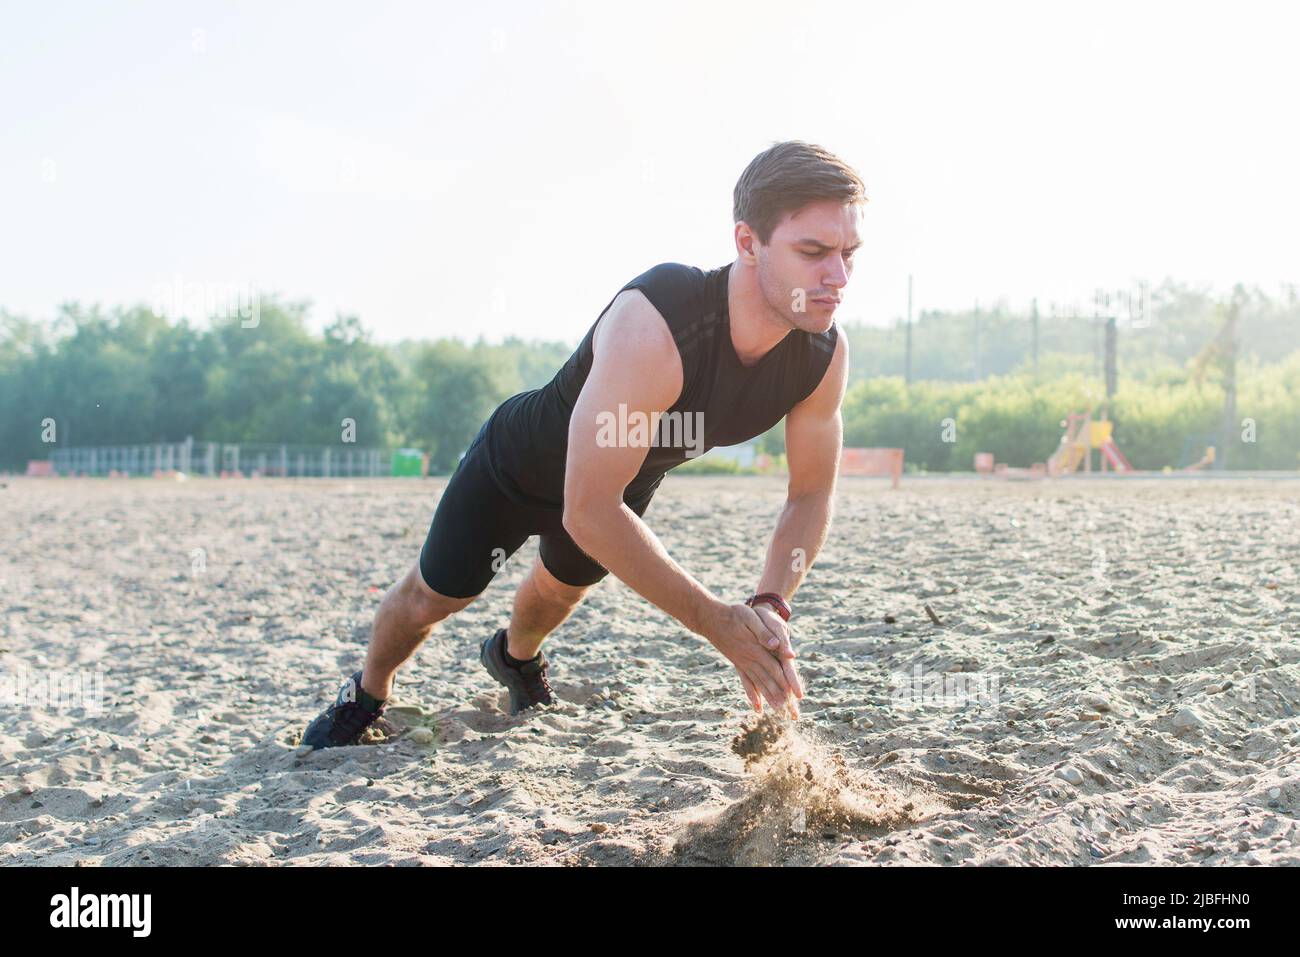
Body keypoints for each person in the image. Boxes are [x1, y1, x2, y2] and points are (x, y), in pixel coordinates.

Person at [303, 140, 864, 749]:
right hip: (521, 465)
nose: (837, 277)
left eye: (849, 253)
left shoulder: (821, 354)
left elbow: (810, 493)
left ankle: (514, 659)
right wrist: (718, 624)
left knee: (559, 590)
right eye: (813, 252)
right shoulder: (662, 319)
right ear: (747, 243)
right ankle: (366, 692)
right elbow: (586, 509)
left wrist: (770, 604)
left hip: (622, 483)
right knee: (433, 598)